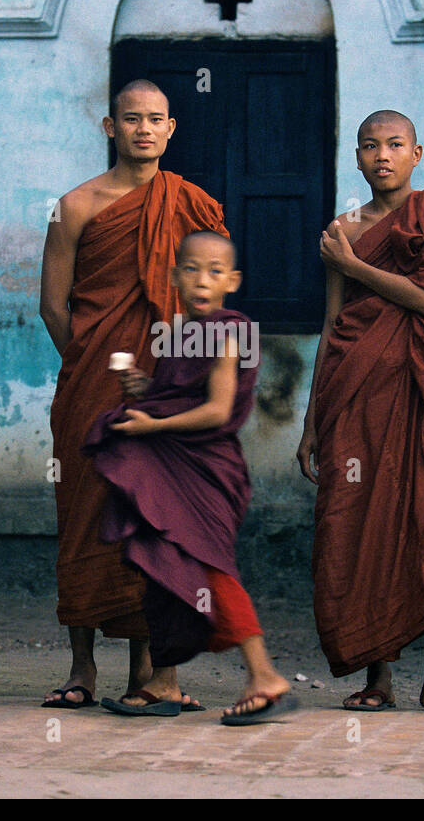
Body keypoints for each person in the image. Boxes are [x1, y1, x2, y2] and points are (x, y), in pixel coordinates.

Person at [297, 110, 424, 713]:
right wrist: (312, 421)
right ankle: (377, 678)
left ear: (417, 153)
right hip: (356, 399)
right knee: (361, 525)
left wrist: (356, 266)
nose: (382, 156)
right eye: (369, 146)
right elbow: (334, 324)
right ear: (356, 157)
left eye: (394, 145)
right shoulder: (344, 227)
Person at [38, 80, 228, 711]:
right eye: (130, 119)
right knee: (88, 515)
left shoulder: (194, 205)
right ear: (108, 126)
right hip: (94, 384)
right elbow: (52, 303)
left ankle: (150, 672)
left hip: (170, 391)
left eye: (155, 119)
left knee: (157, 521)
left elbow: (210, 305)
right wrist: (96, 361)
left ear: (171, 128)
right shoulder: (76, 205)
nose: (143, 129)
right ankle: (80, 666)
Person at [83, 231, 294, 724]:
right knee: (165, 567)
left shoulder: (226, 330)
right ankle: (162, 683)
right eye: (193, 269)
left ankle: (264, 675)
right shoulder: (183, 335)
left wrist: (154, 422)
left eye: (216, 271)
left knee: (211, 569)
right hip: (179, 466)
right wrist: (148, 389)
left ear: (233, 281)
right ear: (176, 275)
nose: (203, 280)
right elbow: (181, 395)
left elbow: (216, 411)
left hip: (206, 469)